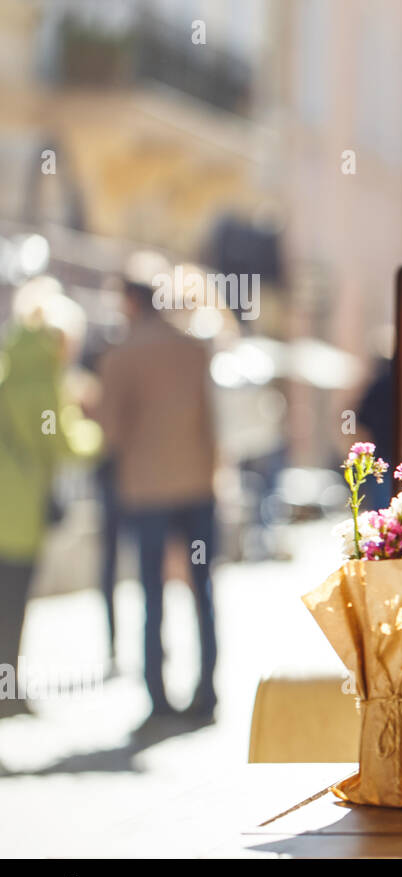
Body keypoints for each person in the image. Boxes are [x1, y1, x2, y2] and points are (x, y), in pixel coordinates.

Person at [98, 269, 219, 724]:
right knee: (202, 588)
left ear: (130, 301)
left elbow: (109, 431)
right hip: (197, 485)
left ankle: (158, 696)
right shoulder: (193, 348)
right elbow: (210, 420)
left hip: (146, 488)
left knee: (152, 592)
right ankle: (208, 689)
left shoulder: (122, 355)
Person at [0, 288, 100, 717]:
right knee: (13, 608)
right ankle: (7, 693)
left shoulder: (9, 364)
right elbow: (59, 442)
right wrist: (98, 435)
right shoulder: (43, 377)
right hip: (17, 510)